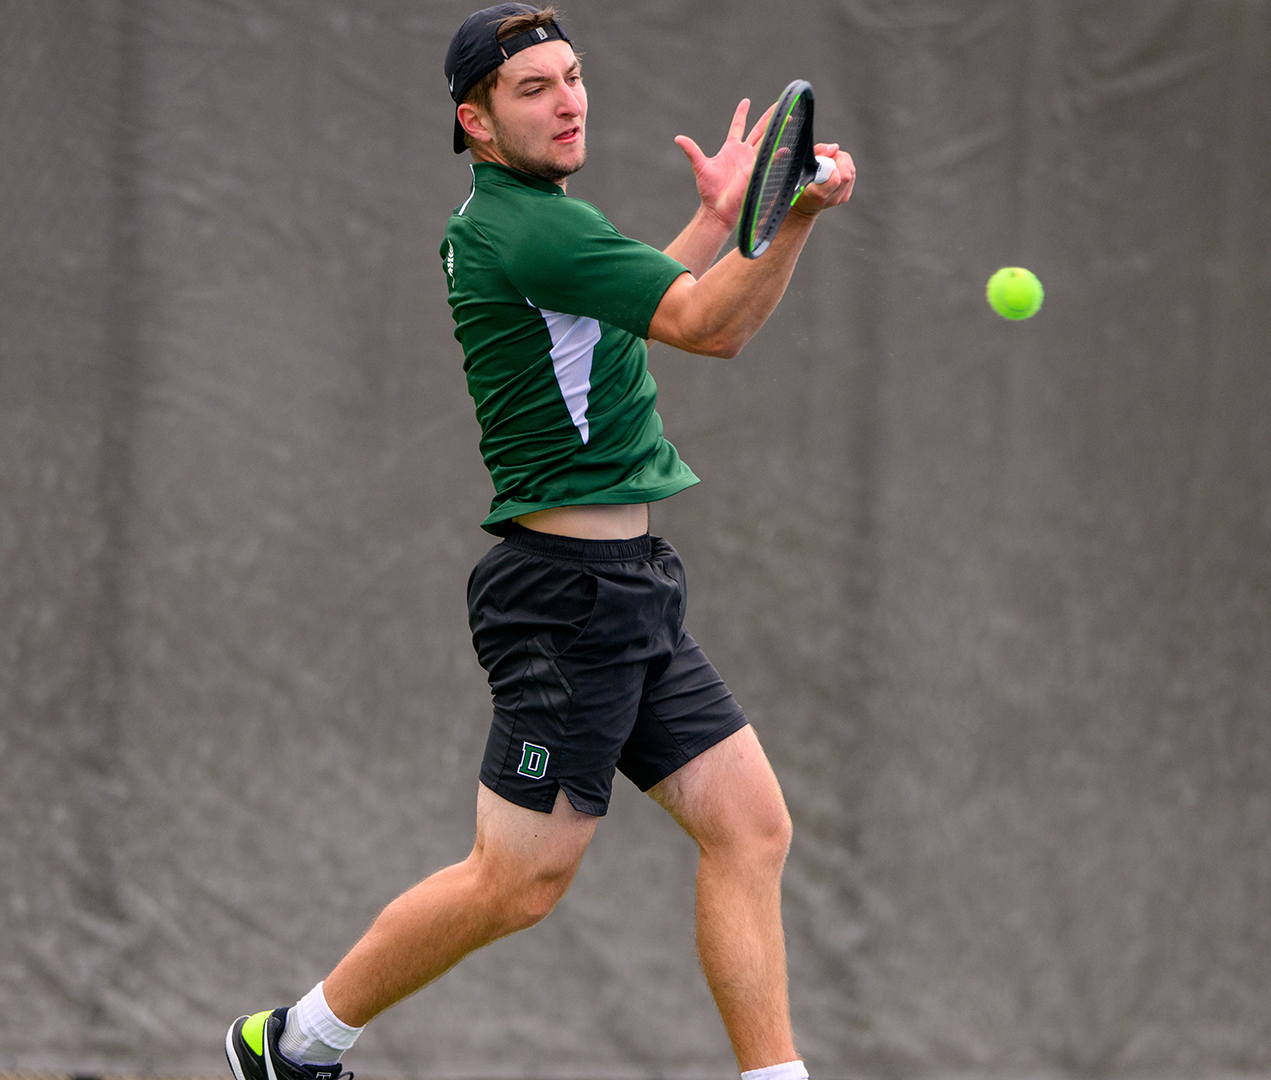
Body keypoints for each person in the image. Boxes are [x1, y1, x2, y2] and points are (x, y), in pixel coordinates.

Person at [224, 7, 855, 1080]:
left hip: (631, 589)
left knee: (750, 830)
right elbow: (713, 328)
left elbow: (607, 326)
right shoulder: (527, 227)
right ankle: (293, 1044)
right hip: (566, 600)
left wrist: (712, 226)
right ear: (474, 120)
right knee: (516, 881)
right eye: (533, 88)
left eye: (573, 76)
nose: (568, 100)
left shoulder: (532, 223)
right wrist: (790, 217)